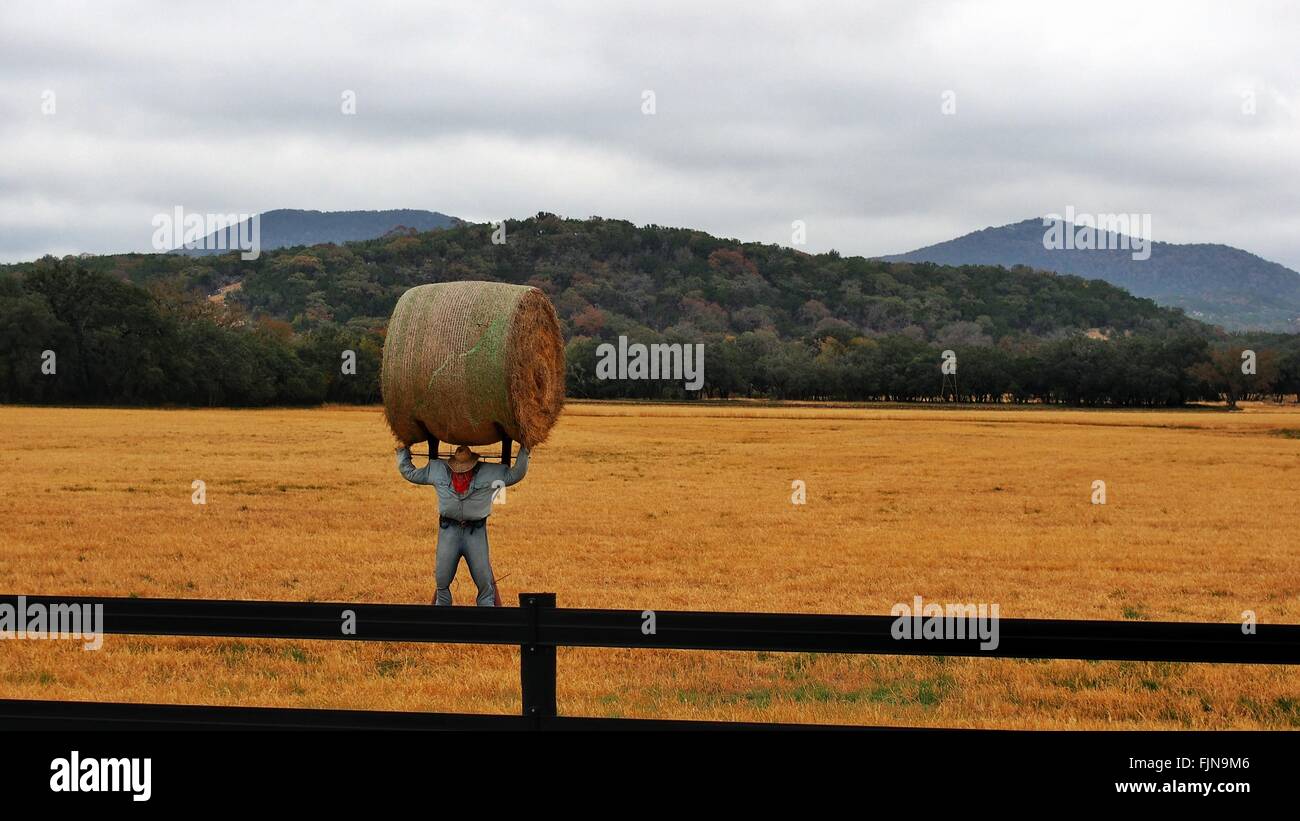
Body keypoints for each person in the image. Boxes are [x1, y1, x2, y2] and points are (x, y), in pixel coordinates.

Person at [395, 442, 529, 606]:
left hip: (475, 532)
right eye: (457, 469)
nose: (460, 473)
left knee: (484, 583)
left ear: (474, 464)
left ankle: (488, 623)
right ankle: (440, 624)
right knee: (442, 581)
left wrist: (525, 449)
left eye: (465, 469)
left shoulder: (489, 472)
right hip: (449, 531)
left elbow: (516, 474)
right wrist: (402, 450)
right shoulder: (437, 470)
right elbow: (410, 473)